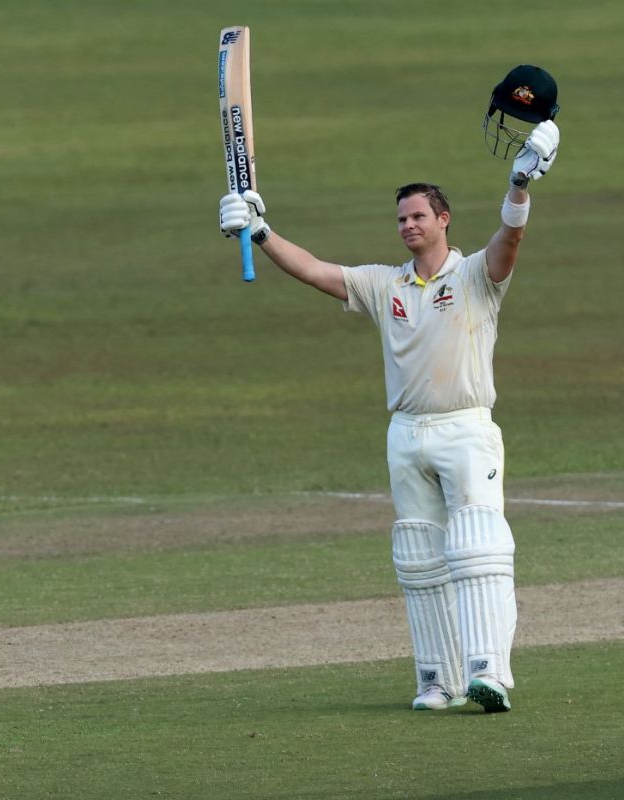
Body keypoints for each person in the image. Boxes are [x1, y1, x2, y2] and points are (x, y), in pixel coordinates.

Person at [217, 66, 561, 713]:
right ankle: (438, 679)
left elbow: (510, 241)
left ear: (444, 220)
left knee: (478, 546)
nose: (407, 225)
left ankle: (490, 672)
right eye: (401, 217)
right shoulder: (386, 285)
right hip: (406, 433)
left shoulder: (476, 277)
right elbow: (314, 270)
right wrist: (260, 233)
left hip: (465, 427)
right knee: (418, 556)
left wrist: (519, 186)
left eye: (418, 216)